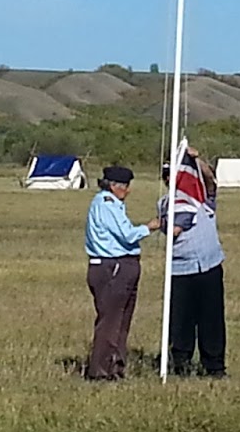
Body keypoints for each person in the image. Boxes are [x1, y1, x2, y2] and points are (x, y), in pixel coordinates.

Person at [84, 165, 160, 380]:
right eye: (125, 187)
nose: (128, 191)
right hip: (112, 267)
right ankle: (99, 371)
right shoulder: (107, 204)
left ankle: (115, 367)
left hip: (120, 265)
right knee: (110, 321)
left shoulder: (111, 204)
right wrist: (150, 227)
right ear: (114, 186)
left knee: (121, 321)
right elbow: (126, 235)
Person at [160, 150, 227, 377]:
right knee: (180, 321)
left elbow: (210, 180)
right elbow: (174, 229)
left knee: (212, 320)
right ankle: (181, 364)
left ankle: (214, 365)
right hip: (180, 268)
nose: (173, 179)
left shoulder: (202, 199)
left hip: (208, 266)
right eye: (169, 175)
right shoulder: (166, 204)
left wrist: (196, 160)